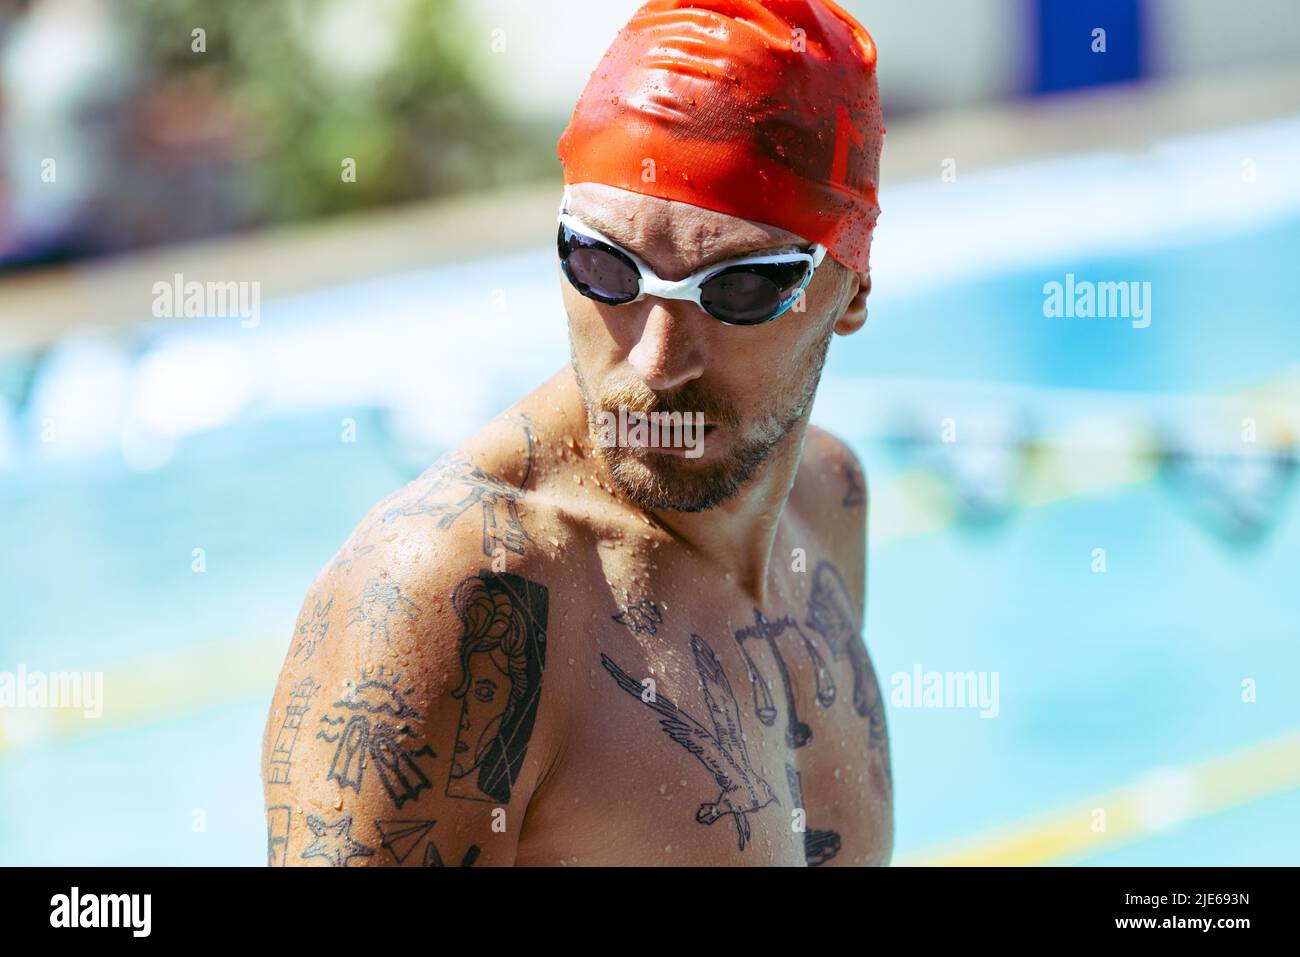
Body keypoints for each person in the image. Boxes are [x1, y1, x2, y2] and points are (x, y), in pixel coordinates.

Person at [262, 0, 890, 867]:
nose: (657, 361)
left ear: (851, 287)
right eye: (607, 266)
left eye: (739, 287)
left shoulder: (827, 504)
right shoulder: (451, 595)